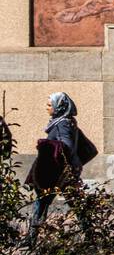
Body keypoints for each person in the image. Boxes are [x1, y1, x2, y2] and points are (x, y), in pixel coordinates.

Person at [26, 91, 83, 243]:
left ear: (59, 107)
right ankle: (90, 232)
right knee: (71, 202)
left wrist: (46, 145)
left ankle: (32, 237)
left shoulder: (62, 124)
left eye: (50, 105)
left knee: (44, 201)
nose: (47, 107)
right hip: (63, 170)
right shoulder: (63, 121)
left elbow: (67, 146)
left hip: (60, 172)